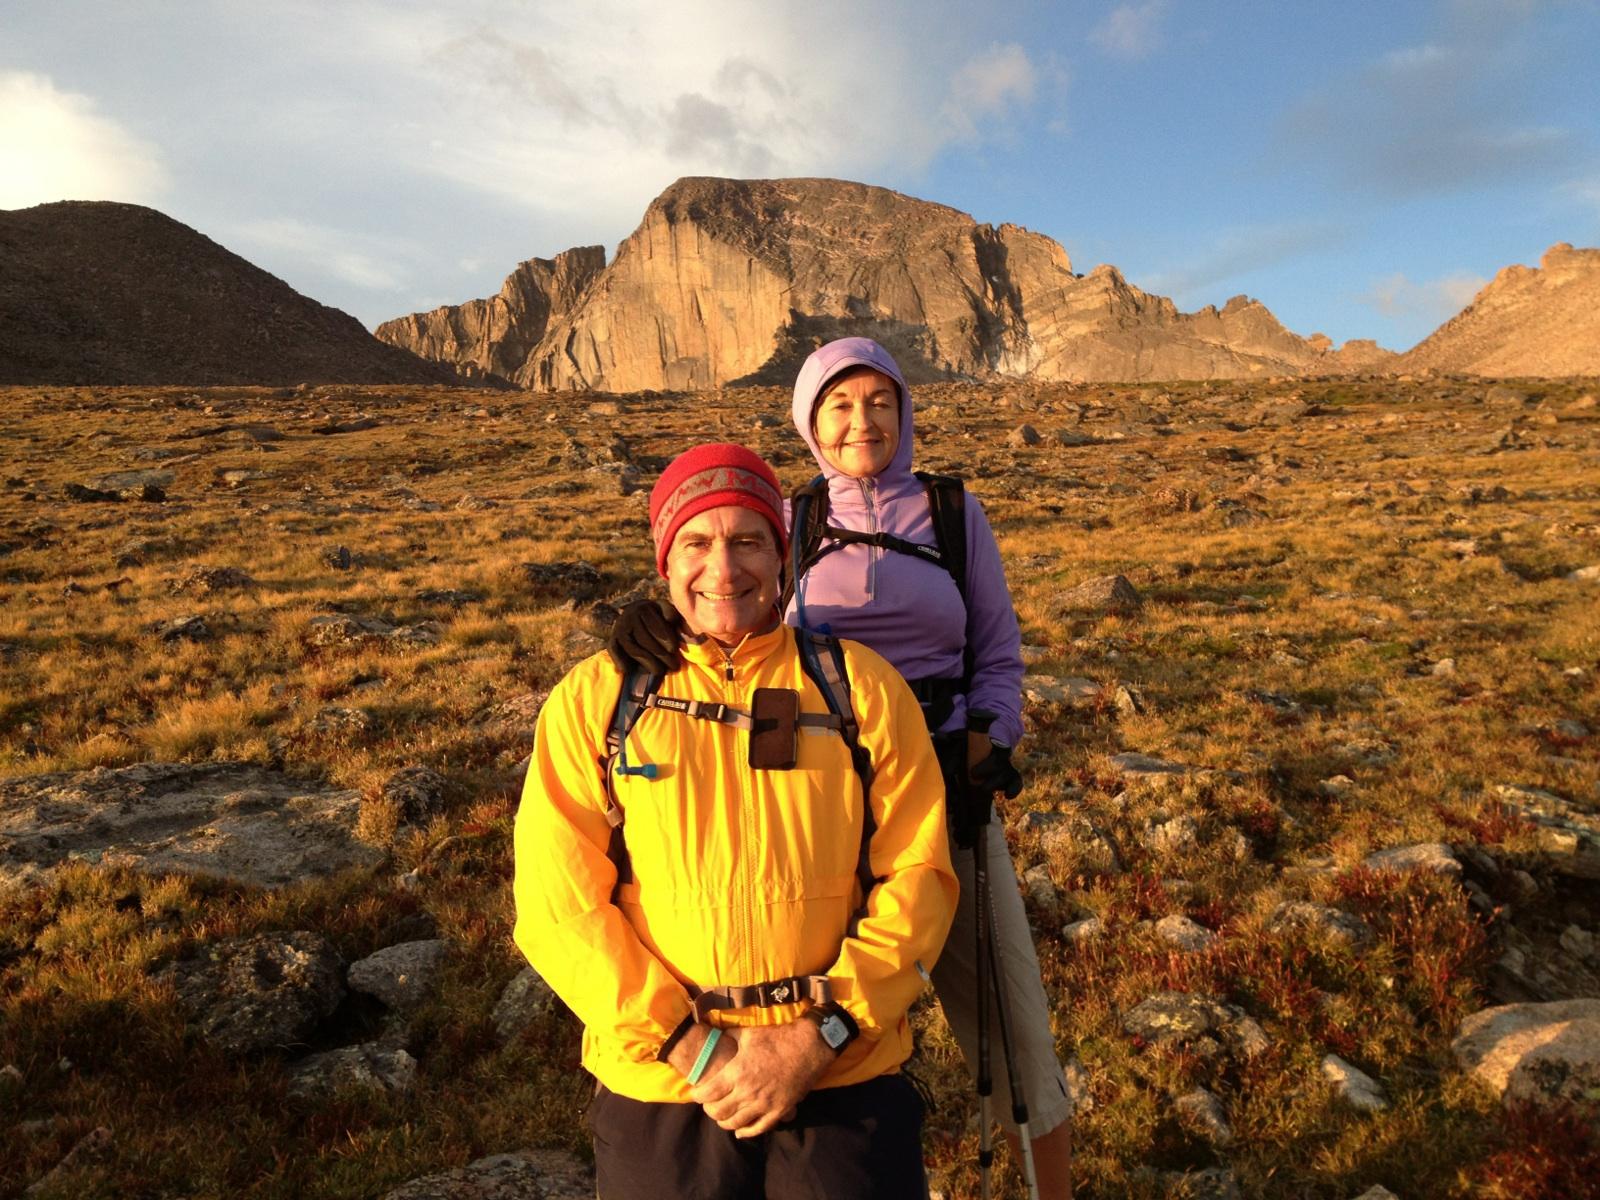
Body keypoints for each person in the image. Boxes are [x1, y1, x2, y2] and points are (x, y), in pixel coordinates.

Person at [612, 340, 1075, 1198]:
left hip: (944, 786)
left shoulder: (949, 511)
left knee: (1011, 1029)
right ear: (809, 421)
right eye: (840, 405)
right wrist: (654, 628)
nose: (862, 422)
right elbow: (737, 619)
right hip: (819, 803)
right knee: (824, 1017)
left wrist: (992, 740)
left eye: (880, 403)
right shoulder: (794, 520)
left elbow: (998, 648)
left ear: (904, 414)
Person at [514, 442, 959, 1200]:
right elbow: (559, 907)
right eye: (696, 542)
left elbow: (919, 878)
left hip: (842, 1080)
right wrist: (693, 1046)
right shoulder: (595, 701)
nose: (723, 570)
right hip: (665, 1088)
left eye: (748, 540)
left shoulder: (861, 688)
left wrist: (817, 1035)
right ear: (665, 562)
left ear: (783, 558)